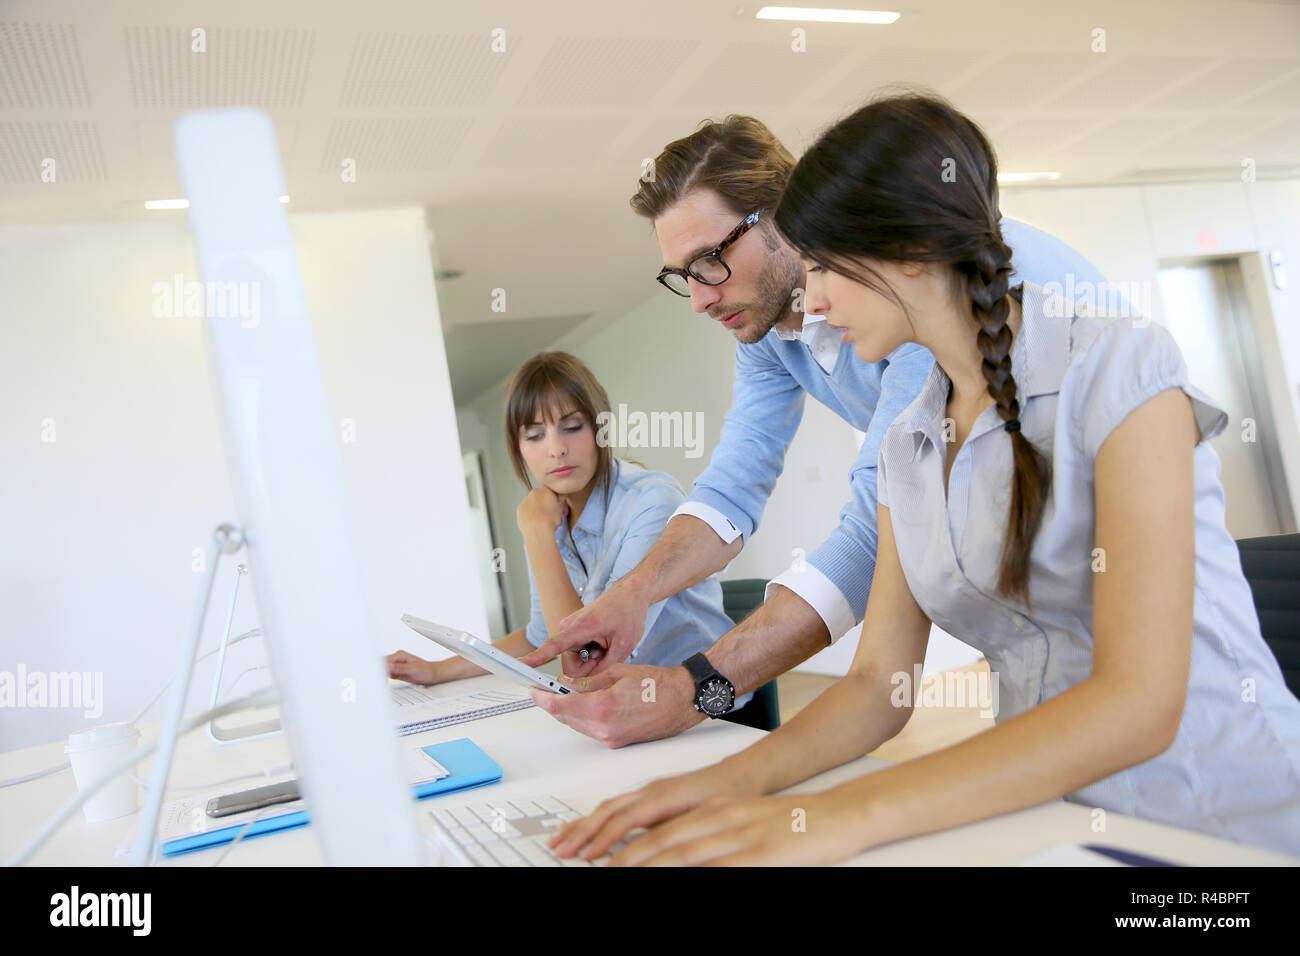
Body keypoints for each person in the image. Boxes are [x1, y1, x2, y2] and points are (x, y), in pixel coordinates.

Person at [547, 92, 1300, 865]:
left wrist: (829, 810)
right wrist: (721, 781)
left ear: (906, 250)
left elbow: (1138, 703)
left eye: (825, 267)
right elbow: (879, 682)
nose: (818, 302)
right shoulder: (912, 435)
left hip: (1221, 835)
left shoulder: (1122, 366)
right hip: (1050, 822)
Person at [528, 113, 1123, 747]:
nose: (699, 300)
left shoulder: (933, 305)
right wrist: (635, 593)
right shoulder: (776, 323)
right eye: (683, 275)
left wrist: (693, 691)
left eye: (709, 260)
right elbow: (736, 486)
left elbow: (870, 532)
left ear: (788, 217)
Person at [386, 351, 748, 723]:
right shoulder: (548, 513)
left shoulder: (652, 501)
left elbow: (585, 657)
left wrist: (538, 535)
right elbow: (539, 636)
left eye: (572, 427)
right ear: (520, 448)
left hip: (707, 712)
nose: (555, 448)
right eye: (535, 435)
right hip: (625, 706)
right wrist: (435, 670)